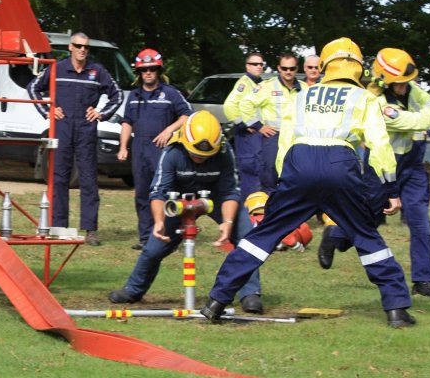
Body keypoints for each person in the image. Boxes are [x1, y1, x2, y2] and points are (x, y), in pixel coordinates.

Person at [201, 37, 417, 328]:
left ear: (326, 65)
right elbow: (379, 146)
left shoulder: (302, 95)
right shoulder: (364, 97)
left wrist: (280, 183)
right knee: (366, 235)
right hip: (341, 164)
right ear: (357, 66)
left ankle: (217, 300)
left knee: (265, 235)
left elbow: (285, 144)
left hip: (299, 162)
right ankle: (396, 309)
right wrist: (390, 189)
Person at [318, 48, 430, 299]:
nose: (406, 85)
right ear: (386, 81)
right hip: (382, 167)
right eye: (400, 82)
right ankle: (335, 235)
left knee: (420, 223)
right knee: (370, 220)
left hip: (412, 167)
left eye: (407, 80)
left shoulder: (412, 89)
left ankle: (423, 280)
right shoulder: (377, 102)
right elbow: (418, 120)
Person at [109, 111, 264, 314]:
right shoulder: (172, 152)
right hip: (178, 200)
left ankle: (250, 293)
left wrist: (227, 222)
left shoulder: (225, 151)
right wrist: (158, 222)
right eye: (196, 155)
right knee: (154, 248)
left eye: (206, 156)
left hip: (216, 197)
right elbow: (158, 192)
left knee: (246, 237)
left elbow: (230, 192)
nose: (200, 159)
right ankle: (133, 290)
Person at [27, 32, 123, 246]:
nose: (82, 50)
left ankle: (90, 230)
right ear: (70, 47)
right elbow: (33, 87)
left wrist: (102, 113)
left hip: (86, 129)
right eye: (78, 46)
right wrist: (48, 110)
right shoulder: (57, 69)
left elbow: (118, 94)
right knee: (59, 176)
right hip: (62, 127)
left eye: (86, 47)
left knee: (88, 179)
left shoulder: (97, 71)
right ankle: (59, 226)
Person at [117, 49, 192, 250]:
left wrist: (169, 130)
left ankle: (169, 237)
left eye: (152, 69)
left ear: (158, 70)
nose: (148, 73)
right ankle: (145, 237)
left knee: (164, 193)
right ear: (139, 73)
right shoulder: (133, 95)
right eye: (144, 70)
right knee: (142, 194)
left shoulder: (170, 93)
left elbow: (186, 115)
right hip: (140, 150)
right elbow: (127, 122)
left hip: (163, 152)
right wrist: (123, 146)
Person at [239, 53, 305, 194]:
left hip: (298, 138)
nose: (288, 71)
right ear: (279, 68)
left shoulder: (306, 89)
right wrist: (258, 126)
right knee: (270, 174)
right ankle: (270, 208)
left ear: (297, 69)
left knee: (298, 175)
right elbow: (245, 104)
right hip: (274, 136)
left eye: (292, 68)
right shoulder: (267, 87)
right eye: (284, 68)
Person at [223, 53, 264, 200]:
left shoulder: (257, 83)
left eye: (261, 64)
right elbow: (229, 105)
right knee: (250, 173)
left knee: (257, 172)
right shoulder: (245, 83)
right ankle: (249, 213)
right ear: (247, 66)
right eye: (255, 64)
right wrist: (242, 124)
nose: (259, 67)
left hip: (256, 137)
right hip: (247, 137)